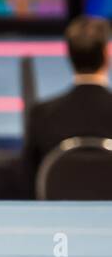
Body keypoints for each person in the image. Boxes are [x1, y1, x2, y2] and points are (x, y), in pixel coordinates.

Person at [20, 15, 112, 197]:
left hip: (58, 222)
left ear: (69, 55)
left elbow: (29, 182)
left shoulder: (42, 114)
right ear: (105, 54)